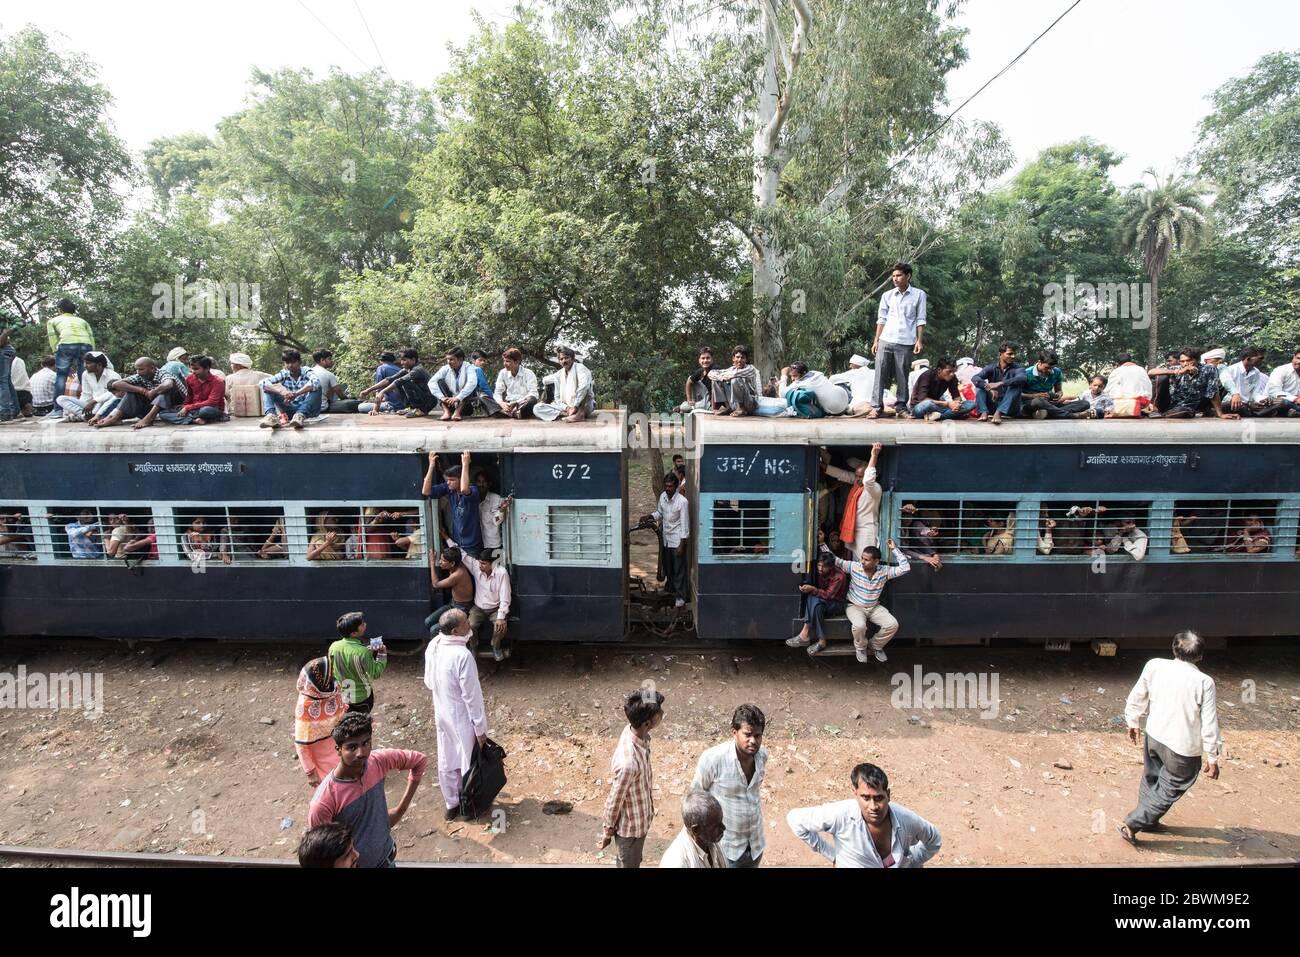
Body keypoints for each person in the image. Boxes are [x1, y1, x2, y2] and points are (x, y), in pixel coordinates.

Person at [1117, 631, 1222, 846]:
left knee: (1152, 778)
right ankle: (1134, 823)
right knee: (1172, 785)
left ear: (1173, 649)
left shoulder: (1155, 665)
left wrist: (1133, 720)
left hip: (1154, 735)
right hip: (1182, 747)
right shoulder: (1204, 682)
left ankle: (1149, 819)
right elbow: (1210, 722)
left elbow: (1138, 694)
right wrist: (1212, 756)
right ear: (1200, 656)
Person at [307, 712, 427, 868]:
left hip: (387, 858)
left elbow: (420, 761)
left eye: (365, 743)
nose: (361, 753)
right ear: (338, 749)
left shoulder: (378, 761)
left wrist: (400, 810)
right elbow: (320, 855)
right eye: (352, 747)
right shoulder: (323, 802)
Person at [787, 763, 941, 868]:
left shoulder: (906, 819)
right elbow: (795, 819)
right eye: (866, 798)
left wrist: (912, 860)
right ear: (855, 794)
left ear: (888, 795)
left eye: (879, 798)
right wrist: (832, 855)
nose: (873, 807)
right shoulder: (839, 815)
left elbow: (934, 839)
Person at [423, 608, 489, 819]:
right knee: (468, 761)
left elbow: (428, 681)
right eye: (465, 623)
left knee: (447, 757)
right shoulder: (463, 656)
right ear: (454, 631)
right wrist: (480, 729)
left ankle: (451, 804)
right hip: (461, 717)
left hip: (442, 712)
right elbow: (472, 697)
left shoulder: (434, 645)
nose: (469, 624)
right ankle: (468, 807)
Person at [688, 704, 767, 867]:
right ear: (734, 732)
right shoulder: (713, 759)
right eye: (748, 734)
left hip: (755, 845)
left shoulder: (762, 756)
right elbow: (695, 798)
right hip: (726, 848)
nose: (753, 741)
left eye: (758, 736)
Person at [598, 688, 664, 868]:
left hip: (640, 819)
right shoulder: (628, 764)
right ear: (647, 723)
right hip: (631, 830)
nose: (662, 715)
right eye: (659, 714)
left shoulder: (634, 732)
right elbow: (614, 800)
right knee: (629, 863)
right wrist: (607, 831)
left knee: (632, 860)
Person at [820, 536, 910, 663]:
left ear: (876, 561)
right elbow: (836, 560)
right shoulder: (855, 567)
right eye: (862, 558)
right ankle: (861, 647)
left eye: (866, 560)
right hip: (854, 606)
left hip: (874, 607)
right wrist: (822, 542)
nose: (862, 561)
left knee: (892, 624)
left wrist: (895, 549)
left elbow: (905, 568)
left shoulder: (884, 571)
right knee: (859, 626)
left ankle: (875, 646)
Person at [873, 262, 926, 416]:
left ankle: (901, 407)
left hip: (906, 341)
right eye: (894, 276)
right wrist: (876, 340)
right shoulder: (887, 295)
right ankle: (876, 407)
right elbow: (881, 319)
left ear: (908, 276)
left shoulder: (919, 295)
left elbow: (920, 319)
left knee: (902, 375)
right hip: (886, 339)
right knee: (879, 373)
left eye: (899, 275)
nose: (895, 279)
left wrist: (919, 340)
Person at [294, 656, 348, 787]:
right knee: (331, 790)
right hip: (322, 760)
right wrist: (310, 771)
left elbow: (343, 712)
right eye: (330, 675)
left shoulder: (332, 690)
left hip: (342, 750)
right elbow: (301, 745)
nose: (334, 677)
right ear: (319, 680)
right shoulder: (305, 707)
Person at [92, 357, 187, 430]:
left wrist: (154, 391)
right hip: (155, 406)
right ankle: (115, 418)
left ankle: (148, 420)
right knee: (131, 393)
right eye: (137, 369)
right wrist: (142, 391)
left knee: (164, 391)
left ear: (152, 368)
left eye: (141, 369)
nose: (138, 372)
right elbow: (116, 384)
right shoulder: (140, 376)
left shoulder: (163, 373)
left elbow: (168, 384)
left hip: (176, 403)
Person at [822, 443, 883, 557]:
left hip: (866, 532)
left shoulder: (874, 488)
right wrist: (822, 465)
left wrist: (873, 455)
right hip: (853, 530)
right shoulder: (857, 485)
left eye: (861, 476)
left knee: (864, 561)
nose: (857, 479)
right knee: (855, 563)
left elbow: (868, 480)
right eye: (857, 476)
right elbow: (843, 474)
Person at [645, 471, 690, 608]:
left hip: (677, 541)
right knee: (668, 569)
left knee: (679, 571)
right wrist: (650, 517)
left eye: (670, 486)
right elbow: (660, 513)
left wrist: (682, 545)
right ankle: (670, 591)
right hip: (665, 540)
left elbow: (685, 525)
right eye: (666, 486)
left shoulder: (682, 502)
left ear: (676, 486)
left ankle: (681, 597)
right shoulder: (663, 497)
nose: (667, 489)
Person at [423, 451, 483, 556]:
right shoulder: (450, 489)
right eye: (447, 480)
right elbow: (426, 491)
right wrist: (431, 466)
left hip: (472, 545)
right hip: (457, 543)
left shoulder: (473, 491)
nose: (448, 482)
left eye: (452, 480)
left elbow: (464, 489)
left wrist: (465, 465)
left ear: (461, 480)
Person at [786, 554, 848, 655]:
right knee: (816, 606)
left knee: (813, 597)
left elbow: (829, 595)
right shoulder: (820, 571)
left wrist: (813, 589)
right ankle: (821, 640)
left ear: (831, 567)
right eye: (819, 565)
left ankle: (804, 634)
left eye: (824, 566)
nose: (820, 568)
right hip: (822, 601)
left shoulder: (839, 576)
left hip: (836, 604)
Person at [459, 547, 512, 661]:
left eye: (484, 564)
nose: (480, 566)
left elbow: (505, 597)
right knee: (470, 625)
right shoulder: (477, 567)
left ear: (492, 564)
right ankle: (474, 646)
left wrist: (501, 617)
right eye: (480, 563)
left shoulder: (501, 573)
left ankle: (495, 646)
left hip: (495, 608)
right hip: (478, 608)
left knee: (500, 627)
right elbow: (463, 555)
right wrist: (446, 538)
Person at [327, 612, 387, 713]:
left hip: (342, 698)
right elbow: (375, 673)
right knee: (362, 723)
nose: (365, 624)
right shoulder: (362, 652)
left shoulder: (333, 646)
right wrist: (382, 653)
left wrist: (366, 653)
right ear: (354, 633)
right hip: (362, 698)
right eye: (362, 624)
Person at [45, 298, 95, 414]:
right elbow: (91, 336)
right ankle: (90, 405)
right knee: (84, 375)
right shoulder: (82, 321)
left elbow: (52, 337)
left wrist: (55, 351)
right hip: (85, 344)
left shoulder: (53, 321)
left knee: (61, 376)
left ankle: (57, 410)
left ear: (60, 310)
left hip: (66, 344)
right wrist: (92, 353)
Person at [1150, 348, 1228, 419]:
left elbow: (1213, 391)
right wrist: (1178, 372)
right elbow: (1151, 372)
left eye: (1189, 360)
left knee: (1184, 412)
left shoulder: (1208, 369)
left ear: (1197, 360)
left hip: (1193, 405)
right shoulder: (1177, 369)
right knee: (1161, 377)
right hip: (1173, 404)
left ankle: (1165, 414)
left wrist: (1220, 414)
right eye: (1182, 361)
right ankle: (1155, 410)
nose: (1185, 364)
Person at [659, 790, 728, 868]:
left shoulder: (710, 842)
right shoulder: (676, 862)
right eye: (716, 826)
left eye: (721, 821)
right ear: (696, 830)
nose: (723, 828)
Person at [362, 347, 435, 418]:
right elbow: (389, 379)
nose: (401, 363)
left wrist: (382, 392)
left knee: (404, 382)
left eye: (404, 360)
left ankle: (421, 410)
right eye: (401, 360)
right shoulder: (407, 369)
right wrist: (368, 390)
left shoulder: (417, 370)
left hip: (428, 402)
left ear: (413, 359)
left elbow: (400, 381)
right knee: (398, 382)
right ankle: (411, 407)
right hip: (423, 399)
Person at [259, 348, 322, 429]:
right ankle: (271, 416)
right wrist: (282, 393)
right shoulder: (284, 373)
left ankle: (300, 415)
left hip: (309, 410)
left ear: (299, 362)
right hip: (291, 410)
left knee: (317, 387)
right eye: (287, 363)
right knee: (267, 389)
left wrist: (296, 394)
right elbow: (263, 383)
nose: (290, 365)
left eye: (293, 362)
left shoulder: (306, 371)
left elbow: (315, 382)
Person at [432, 346, 499, 420]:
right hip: (450, 403)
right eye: (447, 359)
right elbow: (432, 382)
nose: (448, 362)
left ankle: (458, 412)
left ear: (460, 360)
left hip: (465, 405)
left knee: (470, 384)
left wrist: (458, 398)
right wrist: (442, 397)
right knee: (439, 381)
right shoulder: (446, 368)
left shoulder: (470, 368)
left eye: (451, 359)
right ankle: (446, 412)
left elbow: (473, 384)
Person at [1022, 350, 1091, 419]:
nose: (1049, 370)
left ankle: (1047, 414)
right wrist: (1033, 396)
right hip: (1031, 405)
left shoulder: (1057, 372)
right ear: (1039, 362)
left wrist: (1058, 395)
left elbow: (1059, 390)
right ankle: (1074, 415)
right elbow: (1018, 395)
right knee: (1038, 401)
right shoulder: (1026, 373)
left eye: (1052, 368)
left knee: (1085, 403)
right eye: (1047, 368)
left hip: (1049, 404)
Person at [160, 355, 226, 425]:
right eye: (192, 369)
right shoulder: (190, 378)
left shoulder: (218, 382)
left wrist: (188, 408)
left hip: (211, 408)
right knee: (163, 413)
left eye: (196, 369)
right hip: (194, 408)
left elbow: (212, 402)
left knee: (205, 411)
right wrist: (185, 406)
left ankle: (193, 417)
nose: (193, 371)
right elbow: (189, 396)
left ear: (207, 368)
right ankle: (193, 420)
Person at [535, 346, 595, 422]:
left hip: (583, 406)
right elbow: (557, 398)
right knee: (537, 408)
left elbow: (583, 387)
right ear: (559, 361)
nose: (564, 361)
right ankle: (565, 414)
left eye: (566, 358)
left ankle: (579, 415)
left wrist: (575, 406)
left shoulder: (580, 368)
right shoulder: (558, 375)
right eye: (561, 359)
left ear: (572, 359)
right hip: (567, 408)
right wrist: (567, 408)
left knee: (586, 386)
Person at [971, 342, 1027, 425]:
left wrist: (1000, 383)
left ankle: (999, 412)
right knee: (979, 386)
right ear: (1000, 354)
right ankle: (983, 412)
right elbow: (975, 378)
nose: (1013, 356)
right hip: (993, 405)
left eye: (1014, 354)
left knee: (1016, 385)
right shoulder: (991, 367)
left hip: (1010, 409)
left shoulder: (1018, 368)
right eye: (1010, 354)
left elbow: (1022, 378)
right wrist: (988, 388)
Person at [55, 351, 118, 422]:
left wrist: (94, 401)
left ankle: (86, 416)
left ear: (99, 365)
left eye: (88, 363)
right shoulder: (85, 374)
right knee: (60, 399)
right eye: (85, 363)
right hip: (92, 405)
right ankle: (84, 415)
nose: (85, 366)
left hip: (106, 405)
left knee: (101, 403)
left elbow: (113, 394)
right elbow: (86, 394)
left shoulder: (113, 375)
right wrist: (85, 407)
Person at [1219, 346, 1281, 417]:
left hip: (1247, 404)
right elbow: (1227, 393)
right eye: (1261, 358)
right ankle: (1253, 412)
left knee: (1277, 404)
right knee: (1241, 407)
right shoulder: (1231, 370)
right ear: (1248, 359)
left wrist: (1263, 400)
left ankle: (1253, 412)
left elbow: (1255, 394)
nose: (1262, 360)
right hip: (1232, 402)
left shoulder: (1256, 372)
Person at [910, 357, 976, 422]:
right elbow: (922, 400)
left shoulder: (952, 378)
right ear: (939, 370)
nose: (952, 374)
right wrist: (947, 404)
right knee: (928, 404)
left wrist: (957, 404)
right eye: (949, 371)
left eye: (953, 371)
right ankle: (951, 415)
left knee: (971, 403)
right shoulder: (927, 375)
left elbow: (956, 396)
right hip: (920, 407)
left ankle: (938, 416)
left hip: (939, 407)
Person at [426, 545, 476, 629]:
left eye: (443, 560)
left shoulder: (458, 574)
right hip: (452, 603)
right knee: (428, 621)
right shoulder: (456, 564)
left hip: (462, 607)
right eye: (441, 559)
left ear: (452, 563)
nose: (440, 562)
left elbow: (435, 584)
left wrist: (432, 562)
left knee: (434, 629)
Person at [707, 345, 762, 417]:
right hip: (734, 404)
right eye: (737, 357)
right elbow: (711, 373)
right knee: (716, 380)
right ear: (733, 358)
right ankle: (728, 407)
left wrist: (727, 376)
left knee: (736, 379)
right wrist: (721, 378)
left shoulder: (751, 369)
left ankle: (741, 408)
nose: (739, 360)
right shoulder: (732, 369)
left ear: (746, 360)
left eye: (742, 358)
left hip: (750, 403)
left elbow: (736, 374)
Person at [781, 362, 849, 417]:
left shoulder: (801, 383)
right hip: (845, 396)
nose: (792, 379)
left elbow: (782, 393)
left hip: (836, 410)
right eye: (791, 376)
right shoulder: (816, 373)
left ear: (803, 374)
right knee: (833, 380)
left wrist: (784, 375)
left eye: (795, 376)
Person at [494, 346, 540, 419]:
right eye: (504, 361)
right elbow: (497, 392)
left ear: (517, 362)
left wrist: (517, 402)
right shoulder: (502, 373)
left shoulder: (528, 373)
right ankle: (511, 413)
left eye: (508, 361)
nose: (505, 364)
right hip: (508, 405)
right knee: (486, 398)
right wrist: (501, 403)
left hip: (522, 404)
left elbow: (534, 394)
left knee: (532, 399)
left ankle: (511, 413)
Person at [310, 348, 360, 414]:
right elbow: (341, 395)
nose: (331, 361)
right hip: (322, 408)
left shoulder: (309, 372)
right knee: (353, 402)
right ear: (322, 360)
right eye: (329, 359)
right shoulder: (329, 374)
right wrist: (350, 399)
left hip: (309, 408)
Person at [1105, 352, 1154, 417]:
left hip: (1124, 404)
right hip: (1143, 402)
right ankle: (1140, 409)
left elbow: (1107, 391)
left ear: (1117, 363)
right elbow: (1149, 388)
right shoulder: (1141, 370)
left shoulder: (1117, 371)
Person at [224, 352, 272, 417]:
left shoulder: (229, 378)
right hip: (257, 412)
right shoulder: (259, 375)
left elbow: (226, 394)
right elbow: (275, 379)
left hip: (235, 413)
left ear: (238, 365)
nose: (231, 366)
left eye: (232, 363)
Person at [899, 503, 943, 570]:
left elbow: (919, 542)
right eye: (905, 515)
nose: (908, 519)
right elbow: (903, 550)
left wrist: (934, 554)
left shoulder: (911, 527)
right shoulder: (899, 530)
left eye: (910, 516)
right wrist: (924, 557)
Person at [476, 471, 510, 553]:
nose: (481, 484)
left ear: (489, 484)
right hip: (476, 543)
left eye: (484, 482)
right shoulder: (471, 498)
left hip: (492, 544)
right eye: (479, 482)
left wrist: (502, 509)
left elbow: (497, 521)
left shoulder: (496, 499)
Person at [1266, 348, 1300, 416]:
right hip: (1277, 403)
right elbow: (1274, 392)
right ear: (1293, 357)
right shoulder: (1281, 370)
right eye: (1298, 358)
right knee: (1283, 402)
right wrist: (1295, 399)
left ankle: (1293, 412)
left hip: (1296, 405)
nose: (1299, 361)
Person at [680, 346, 715, 413]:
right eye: (703, 358)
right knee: (691, 379)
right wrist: (689, 400)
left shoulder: (715, 370)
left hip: (713, 402)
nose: (705, 360)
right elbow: (688, 382)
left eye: (708, 358)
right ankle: (689, 404)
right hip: (705, 398)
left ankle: (683, 407)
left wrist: (714, 407)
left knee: (684, 408)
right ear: (699, 360)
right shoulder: (700, 371)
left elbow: (717, 391)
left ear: (712, 360)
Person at [0, 328, 20, 422]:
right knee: (6, 381)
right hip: (6, 349)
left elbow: (19, 322)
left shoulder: (3, 313)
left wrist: (4, 335)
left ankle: (5, 412)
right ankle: (14, 410)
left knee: (2, 381)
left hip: (3, 349)